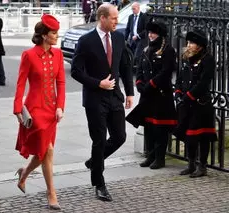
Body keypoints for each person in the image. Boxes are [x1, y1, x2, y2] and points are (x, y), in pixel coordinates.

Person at [71, 3, 134, 202]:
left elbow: (125, 66)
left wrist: (130, 93)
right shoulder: (86, 41)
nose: (117, 21)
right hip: (94, 99)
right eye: (114, 18)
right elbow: (76, 71)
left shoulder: (118, 37)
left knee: (120, 136)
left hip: (114, 96)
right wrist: (98, 83)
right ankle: (99, 183)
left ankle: (94, 163)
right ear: (103, 18)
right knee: (99, 141)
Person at [13, 14, 65, 210]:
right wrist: (17, 109)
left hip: (52, 109)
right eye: (53, 33)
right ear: (44, 35)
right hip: (34, 110)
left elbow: (60, 82)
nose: (57, 36)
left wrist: (60, 106)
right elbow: (20, 84)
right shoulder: (29, 55)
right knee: (48, 150)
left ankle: (24, 174)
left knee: (45, 151)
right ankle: (51, 193)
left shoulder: (58, 54)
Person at [126, 21, 177, 169]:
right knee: (148, 126)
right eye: (149, 32)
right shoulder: (147, 49)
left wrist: (151, 84)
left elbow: (166, 71)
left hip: (161, 94)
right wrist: (140, 83)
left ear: (160, 34)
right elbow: (140, 67)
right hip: (147, 95)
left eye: (153, 33)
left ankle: (160, 158)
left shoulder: (168, 50)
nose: (150, 35)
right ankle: (150, 155)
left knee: (160, 128)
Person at [173, 28, 217, 178]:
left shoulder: (208, 59)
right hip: (187, 104)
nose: (189, 44)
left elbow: (203, 83)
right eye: (189, 42)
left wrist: (189, 96)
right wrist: (178, 92)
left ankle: (202, 166)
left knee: (203, 137)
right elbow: (181, 78)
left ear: (199, 45)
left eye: (192, 42)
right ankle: (191, 164)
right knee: (188, 136)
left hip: (201, 104)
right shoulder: (187, 58)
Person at [124, 2, 148, 71]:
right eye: (132, 9)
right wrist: (125, 39)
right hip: (133, 40)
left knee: (137, 55)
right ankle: (133, 70)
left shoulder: (143, 16)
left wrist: (138, 36)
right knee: (130, 55)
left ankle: (139, 70)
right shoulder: (130, 17)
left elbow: (146, 29)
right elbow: (127, 29)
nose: (133, 10)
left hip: (141, 39)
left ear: (138, 8)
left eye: (134, 9)